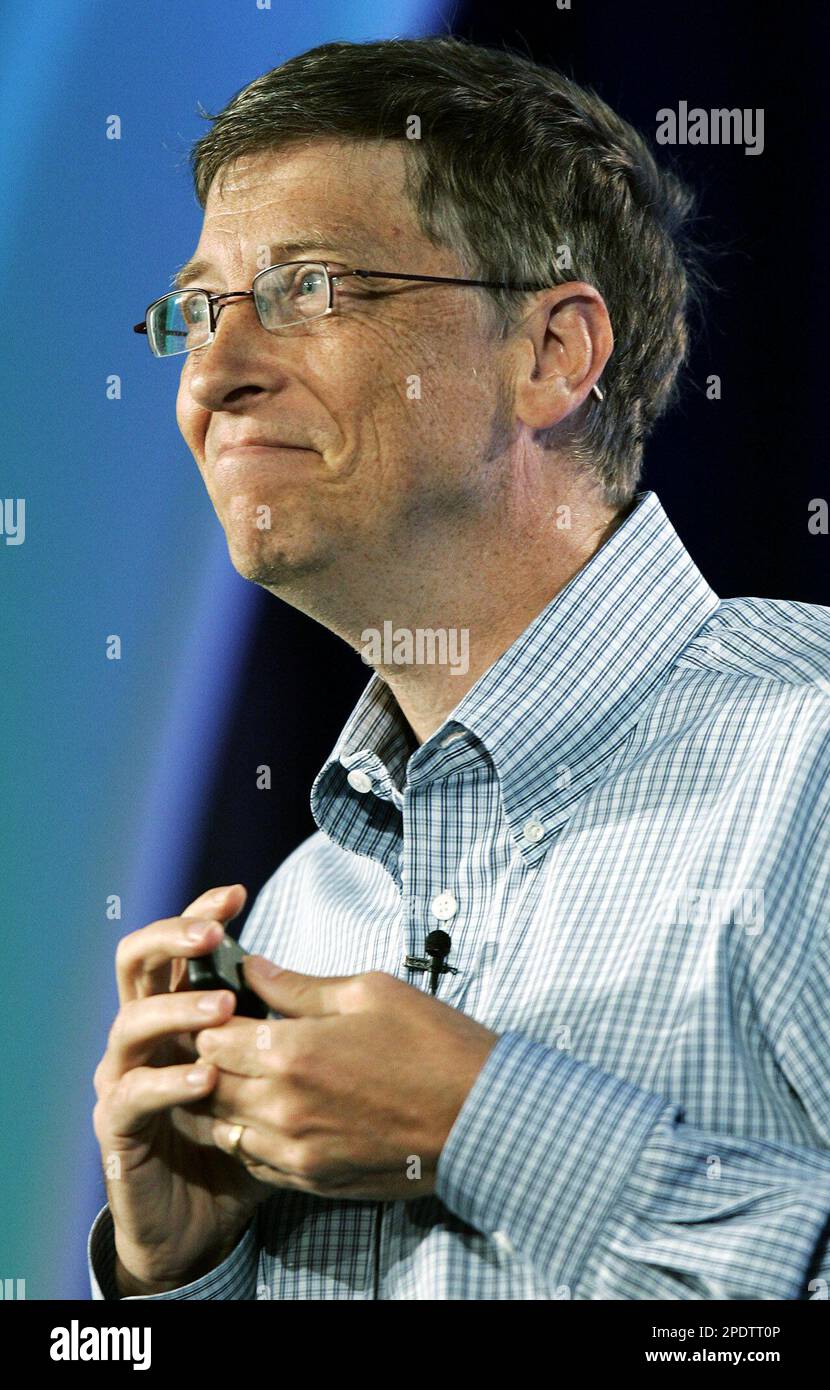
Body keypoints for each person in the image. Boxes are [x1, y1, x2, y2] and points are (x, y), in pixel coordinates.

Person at [89, 36, 830, 1300]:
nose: (211, 374)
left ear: (549, 353)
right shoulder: (305, 908)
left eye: (308, 289)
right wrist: (179, 1276)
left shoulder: (807, 753)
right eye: (197, 312)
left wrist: (483, 1126)